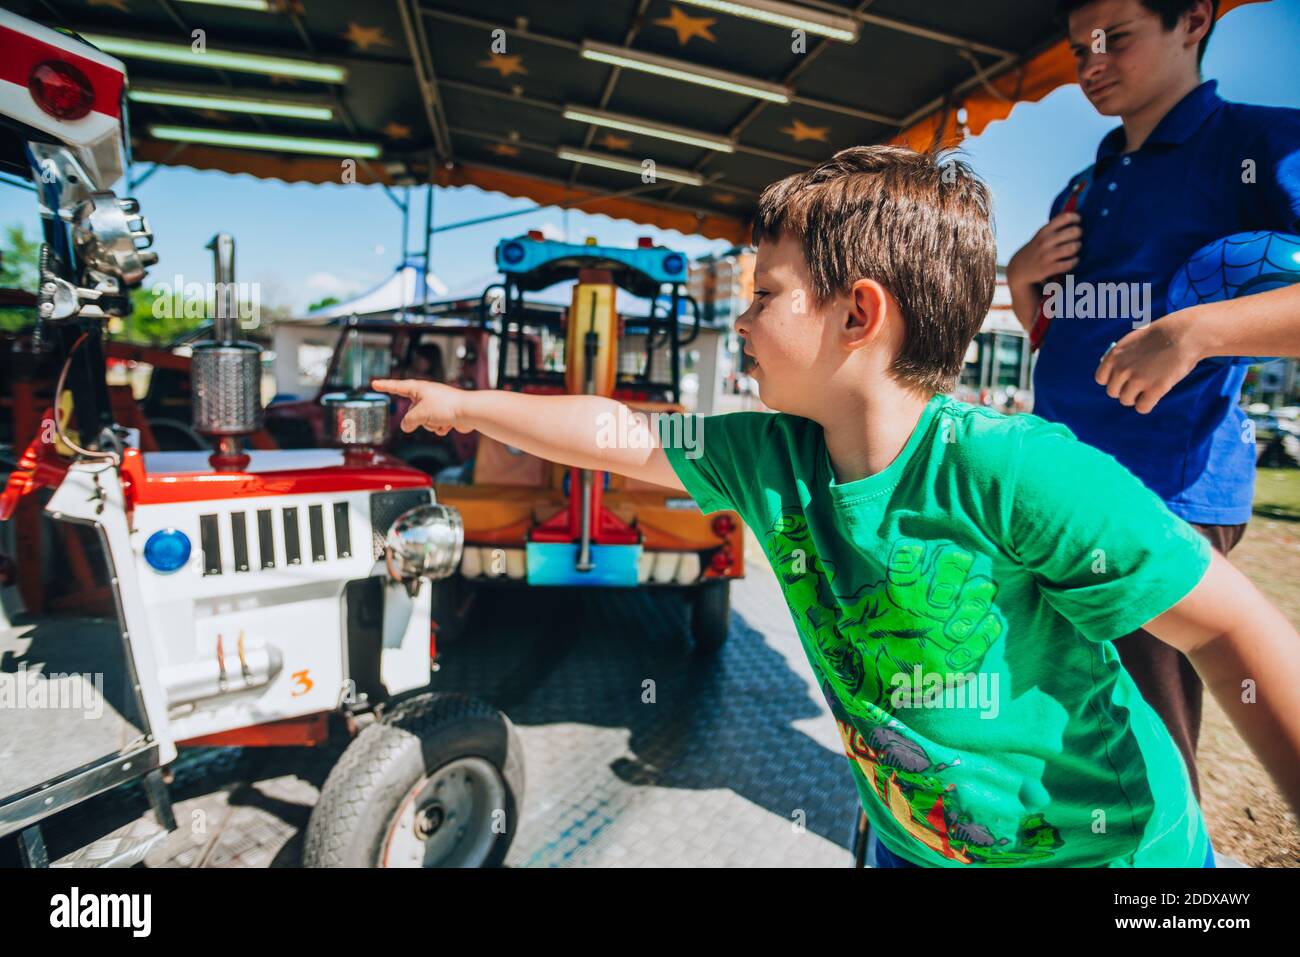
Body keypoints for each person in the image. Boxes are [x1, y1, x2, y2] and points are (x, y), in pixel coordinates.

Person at [374, 145, 1300, 867]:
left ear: (859, 314)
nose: (740, 322)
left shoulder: (1019, 474)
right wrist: (463, 404)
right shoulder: (766, 457)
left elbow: (1232, 632)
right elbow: (617, 432)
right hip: (909, 841)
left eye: (764, 295)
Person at [1006, 0, 1300, 800]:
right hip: (1050, 491)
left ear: (1194, 19)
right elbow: (1054, 333)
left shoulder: (1258, 142)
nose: (1090, 64)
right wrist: (1021, 278)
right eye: (1076, 50)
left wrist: (1199, 331)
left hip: (1162, 496)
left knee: (1146, 767)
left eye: (1114, 40)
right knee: (1054, 750)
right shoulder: (1081, 183)